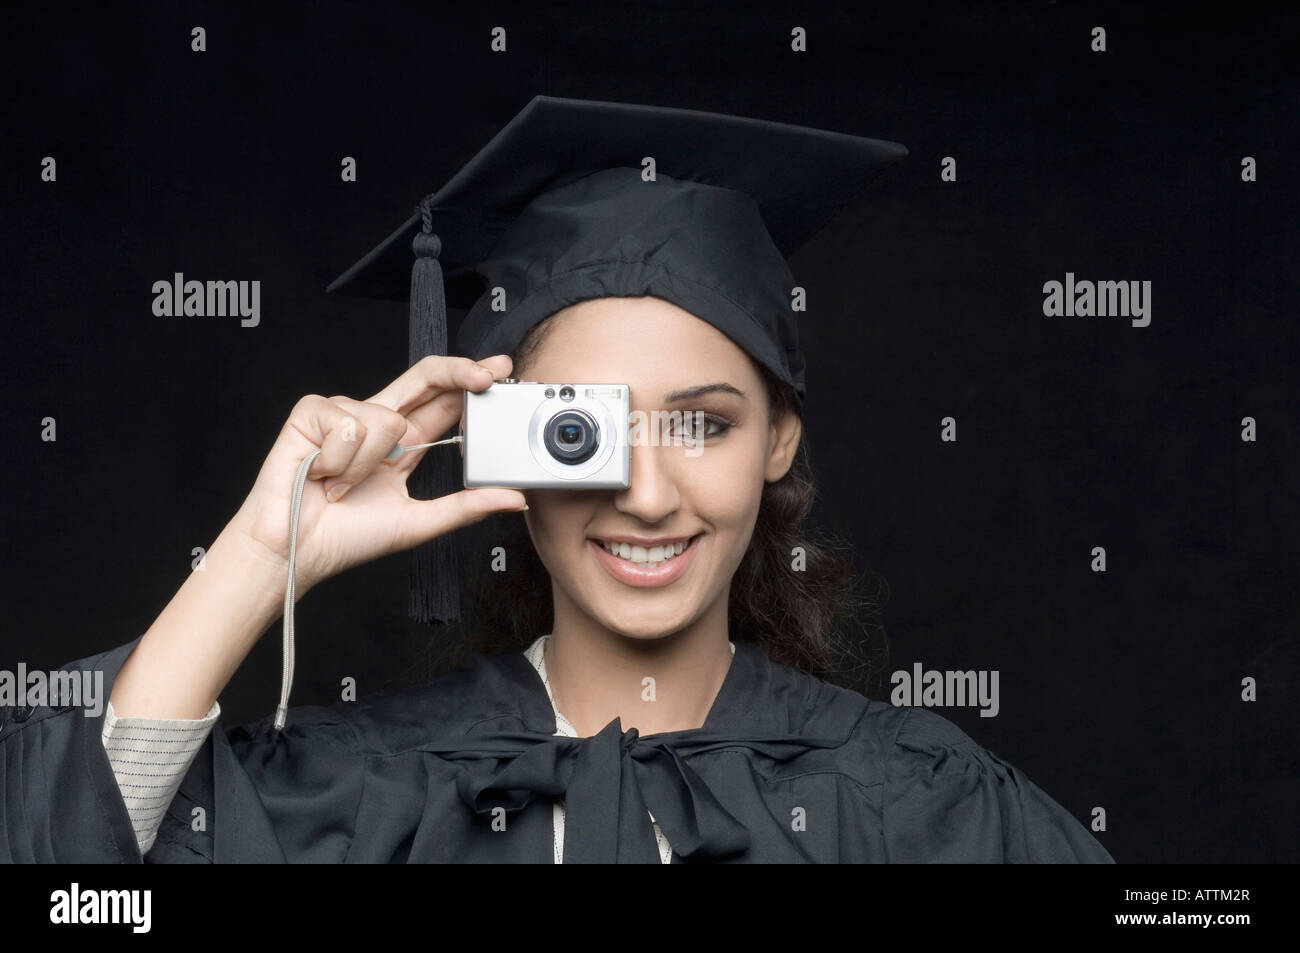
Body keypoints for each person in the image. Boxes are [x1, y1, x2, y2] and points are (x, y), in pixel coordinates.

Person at [0, 96, 1114, 863]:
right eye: (583, 427)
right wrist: (262, 552)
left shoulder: (915, 797)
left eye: (702, 421)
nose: (643, 490)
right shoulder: (373, 791)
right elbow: (77, 866)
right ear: (504, 440)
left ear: (778, 439)